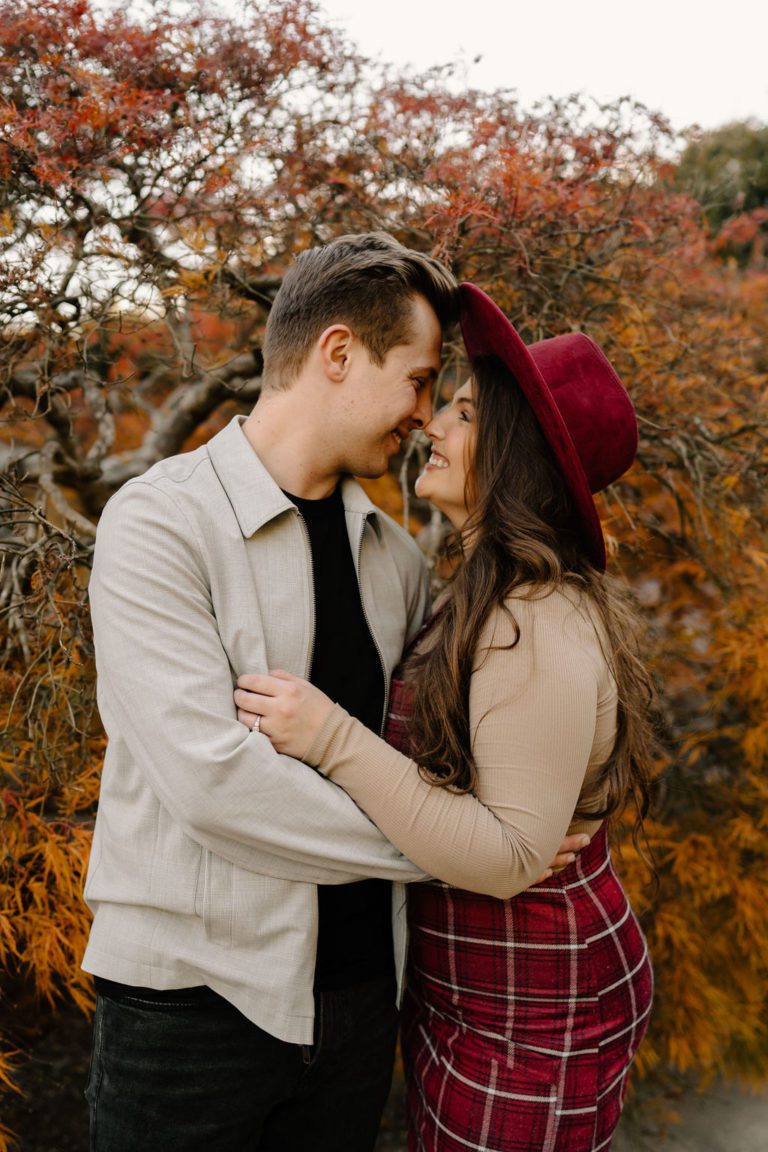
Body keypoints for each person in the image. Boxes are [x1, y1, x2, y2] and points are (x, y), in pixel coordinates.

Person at [83, 236, 583, 1152]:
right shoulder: (161, 523)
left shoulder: (397, 561)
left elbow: (441, 764)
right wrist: (460, 854)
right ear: (340, 354)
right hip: (191, 1009)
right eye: (421, 380)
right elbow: (213, 784)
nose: (426, 414)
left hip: (360, 1007)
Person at [234, 282, 655, 1151]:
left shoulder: (531, 618)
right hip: (476, 993)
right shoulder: (475, 592)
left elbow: (503, 858)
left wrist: (330, 738)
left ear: (517, 452)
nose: (431, 423)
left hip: (534, 1013)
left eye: (463, 412)